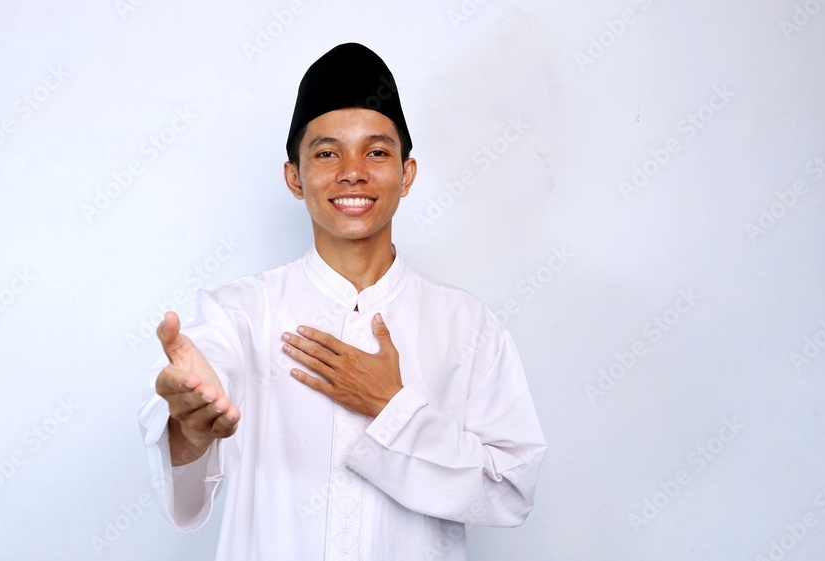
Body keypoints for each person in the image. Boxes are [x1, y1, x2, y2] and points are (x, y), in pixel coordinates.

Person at [137, 42, 546, 561]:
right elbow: (194, 403)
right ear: (295, 177)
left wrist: (392, 408)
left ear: (407, 173)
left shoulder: (468, 327)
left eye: (376, 152)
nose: (353, 172)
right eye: (327, 152)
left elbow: (509, 491)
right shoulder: (239, 314)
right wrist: (188, 425)